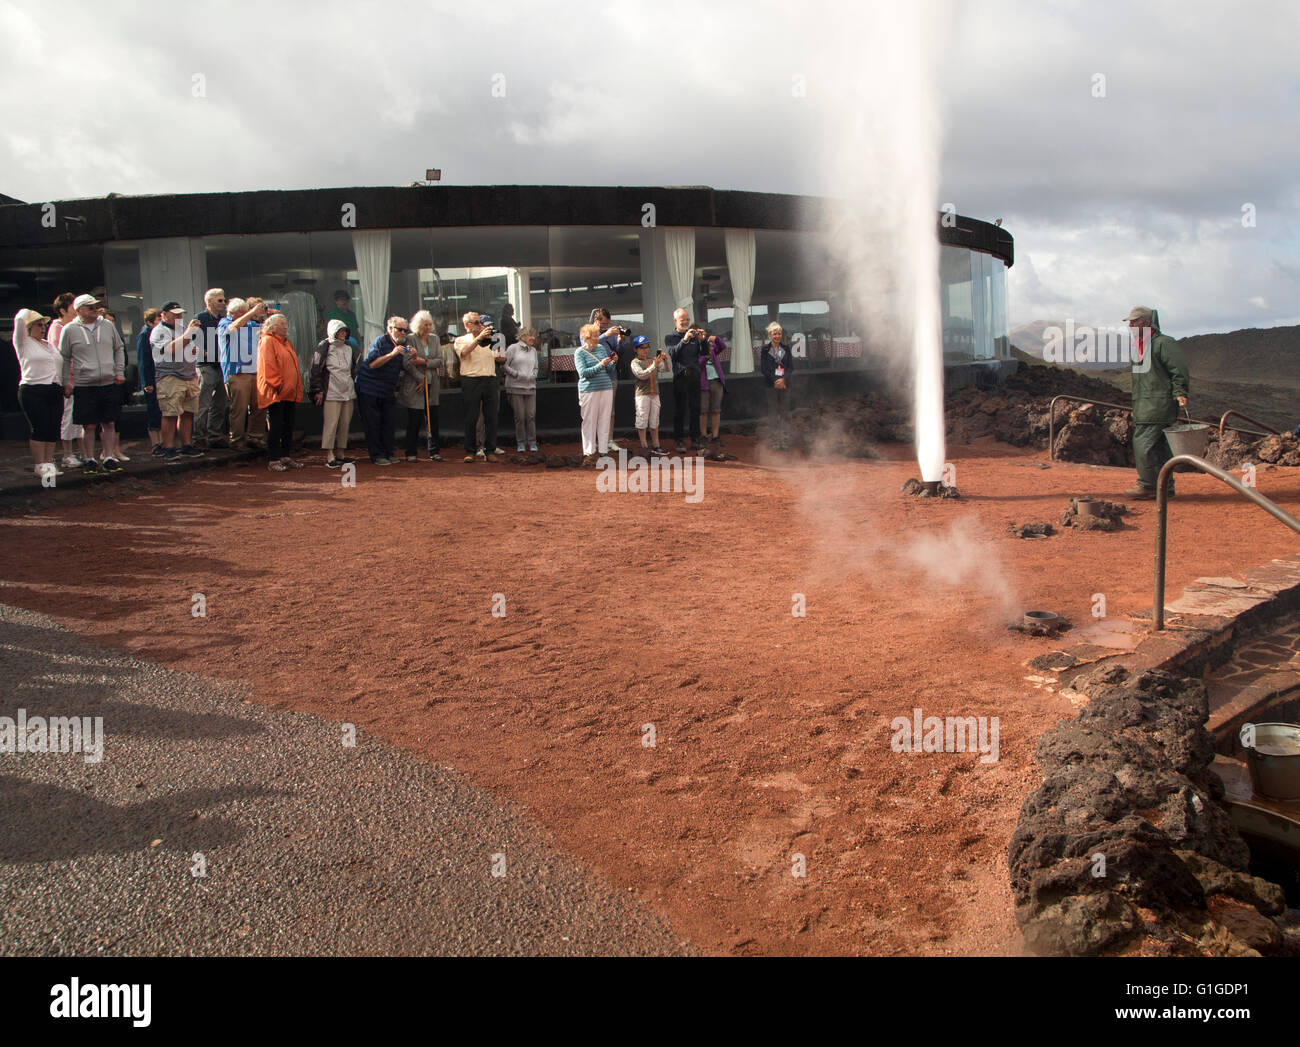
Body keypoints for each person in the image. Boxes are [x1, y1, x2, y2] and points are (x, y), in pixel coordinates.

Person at [1124, 306, 1190, 500]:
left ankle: (1148, 486)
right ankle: (1165, 487)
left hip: (1157, 405)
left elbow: (1178, 370)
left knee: (1142, 444)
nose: (1130, 325)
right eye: (1130, 322)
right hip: (1145, 404)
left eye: (1134, 321)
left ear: (1145, 322)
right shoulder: (1140, 346)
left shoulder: (1163, 343)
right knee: (1159, 448)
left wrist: (1180, 392)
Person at [58, 293, 126, 473]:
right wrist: (66, 382)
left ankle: (109, 457)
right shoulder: (69, 329)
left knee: (109, 422)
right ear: (79, 310)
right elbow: (64, 357)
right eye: (90, 307)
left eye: (96, 306)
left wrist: (119, 371)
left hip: (108, 382)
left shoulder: (107, 326)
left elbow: (118, 348)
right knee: (88, 425)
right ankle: (89, 458)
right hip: (84, 384)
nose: (95, 310)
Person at [150, 301, 204, 464]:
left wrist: (193, 350)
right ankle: (168, 447)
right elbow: (170, 349)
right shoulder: (159, 331)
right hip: (170, 376)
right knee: (170, 413)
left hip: (188, 375)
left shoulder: (181, 330)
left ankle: (186, 444)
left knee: (188, 412)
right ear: (164, 314)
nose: (180, 317)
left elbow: (188, 347)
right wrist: (189, 333)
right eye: (176, 314)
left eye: (181, 314)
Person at [11, 309, 63, 478]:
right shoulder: (23, 342)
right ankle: (39, 464)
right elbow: (19, 319)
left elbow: (57, 365)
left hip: (53, 388)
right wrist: (27, 311)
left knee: (53, 428)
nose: (43, 328)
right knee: (40, 427)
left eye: (44, 325)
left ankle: (49, 463)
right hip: (33, 389)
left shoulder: (48, 344)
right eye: (38, 325)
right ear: (29, 327)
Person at [355, 316, 410, 465]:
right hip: (369, 388)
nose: (403, 333)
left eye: (406, 330)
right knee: (373, 423)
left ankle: (389, 452)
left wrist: (414, 356)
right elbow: (373, 364)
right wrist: (392, 354)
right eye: (400, 330)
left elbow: (405, 367)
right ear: (390, 329)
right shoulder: (380, 341)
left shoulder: (404, 344)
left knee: (389, 421)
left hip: (387, 390)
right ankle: (377, 455)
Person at [257, 313, 305, 472]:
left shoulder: (286, 343)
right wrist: (278, 385)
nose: (286, 327)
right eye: (282, 324)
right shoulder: (267, 341)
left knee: (288, 425)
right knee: (276, 426)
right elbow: (268, 365)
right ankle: (273, 460)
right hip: (276, 393)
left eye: (286, 324)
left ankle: (285, 456)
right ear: (273, 326)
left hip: (289, 392)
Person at [309, 318, 359, 468]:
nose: (343, 333)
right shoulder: (324, 346)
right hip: (331, 390)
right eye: (340, 331)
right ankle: (329, 454)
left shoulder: (349, 347)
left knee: (345, 422)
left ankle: (341, 452)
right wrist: (317, 390)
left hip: (348, 390)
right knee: (331, 423)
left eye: (345, 331)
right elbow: (316, 369)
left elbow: (353, 368)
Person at [220, 297, 268, 451]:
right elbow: (233, 328)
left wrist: (270, 315)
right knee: (239, 408)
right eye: (242, 313)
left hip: (255, 371)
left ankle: (255, 437)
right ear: (233, 313)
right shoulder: (224, 323)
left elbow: (266, 329)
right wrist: (252, 312)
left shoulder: (251, 324)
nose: (246, 315)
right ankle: (237, 440)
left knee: (258, 406)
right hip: (237, 373)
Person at [396, 311, 445, 462]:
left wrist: (423, 362)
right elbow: (407, 362)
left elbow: (439, 360)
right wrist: (420, 379)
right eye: (425, 325)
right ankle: (411, 452)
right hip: (416, 386)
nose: (428, 327)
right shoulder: (410, 338)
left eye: (430, 324)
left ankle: (434, 450)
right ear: (418, 325)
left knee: (433, 420)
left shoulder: (434, 339)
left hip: (432, 385)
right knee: (415, 420)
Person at [454, 312, 502, 463]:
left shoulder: (492, 338)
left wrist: (495, 342)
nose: (479, 325)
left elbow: (501, 358)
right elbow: (464, 352)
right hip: (471, 379)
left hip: (490, 379)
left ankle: (490, 450)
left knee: (492, 416)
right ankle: (470, 451)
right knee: (471, 417)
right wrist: (479, 338)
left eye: (480, 322)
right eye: (475, 322)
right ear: (467, 325)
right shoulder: (460, 340)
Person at [47, 293, 84, 468]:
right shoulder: (57, 328)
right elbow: (62, 357)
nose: (76, 311)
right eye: (72, 307)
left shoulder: (75, 327)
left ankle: (82, 452)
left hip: (79, 379)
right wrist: (67, 380)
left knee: (78, 417)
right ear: (62, 310)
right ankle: (67, 454)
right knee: (67, 417)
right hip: (67, 381)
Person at [575, 322, 615, 467]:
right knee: (589, 420)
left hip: (605, 387)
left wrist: (612, 362)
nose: (597, 338)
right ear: (586, 338)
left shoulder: (601, 348)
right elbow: (583, 373)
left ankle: (603, 450)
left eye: (598, 335)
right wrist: (601, 365)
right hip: (589, 389)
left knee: (604, 419)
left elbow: (609, 369)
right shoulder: (579, 352)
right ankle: (589, 451)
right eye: (594, 336)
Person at [194, 287, 229, 448]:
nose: (223, 303)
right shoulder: (200, 319)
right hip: (206, 366)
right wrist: (203, 352)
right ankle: (199, 437)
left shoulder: (222, 320)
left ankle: (214, 435)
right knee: (203, 403)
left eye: (224, 300)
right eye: (219, 300)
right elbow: (192, 341)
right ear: (209, 302)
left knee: (220, 403)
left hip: (221, 365)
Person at [666, 308, 705, 453]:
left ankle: (695, 438)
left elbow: (705, 353)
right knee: (680, 410)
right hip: (680, 377)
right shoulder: (670, 337)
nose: (686, 322)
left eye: (687, 320)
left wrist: (703, 340)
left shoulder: (695, 337)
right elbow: (673, 354)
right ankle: (679, 440)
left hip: (694, 376)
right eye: (683, 320)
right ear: (676, 321)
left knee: (695, 409)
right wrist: (685, 339)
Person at [593, 307, 631, 450]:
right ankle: (596, 441)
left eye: (607, 325)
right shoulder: (588, 331)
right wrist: (604, 335)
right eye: (603, 325)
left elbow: (619, 352)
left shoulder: (612, 334)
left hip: (611, 376)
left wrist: (620, 341)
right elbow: (587, 346)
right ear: (596, 321)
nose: (605, 327)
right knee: (595, 410)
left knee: (610, 411)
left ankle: (609, 440)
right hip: (595, 377)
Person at [629, 334, 670, 457]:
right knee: (642, 419)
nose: (645, 350)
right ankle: (644, 445)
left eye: (647, 347)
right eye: (642, 347)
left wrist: (665, 359)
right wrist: (654, 365)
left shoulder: (653, 360)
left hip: (654, 393)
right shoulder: (635, 362)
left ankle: (656, 445)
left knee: (654, 419)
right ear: (636, 349)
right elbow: (641, 375)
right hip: (642, 394)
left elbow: (666, 369)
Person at [504, 325, 540, 452]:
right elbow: (504, 365)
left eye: (534, 335)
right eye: (530, 335)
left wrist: (533, 375)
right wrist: (516, 374)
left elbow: (536, 367)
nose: (533, 338)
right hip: (515, 387)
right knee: (520, 416)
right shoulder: (512, 348)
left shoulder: (533, 351)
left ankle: (532, 442)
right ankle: (521, 443)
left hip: (530, 387)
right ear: (523, 336)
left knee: (530, 416)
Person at [136, 307, 164, 454]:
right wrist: (146, 383)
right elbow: (143, 361)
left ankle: (163, 441)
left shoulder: (160, 334)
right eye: (158, 319)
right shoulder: (144, 335)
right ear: (150, 321)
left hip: (161, 377)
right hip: (151, 380)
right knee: (153, 411)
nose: (161, 322)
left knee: (162, 411)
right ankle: (156, 443)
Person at [699, 333, 727, 448]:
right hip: (703, 383)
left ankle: (715, 436)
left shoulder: (711, 345)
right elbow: (698, 364)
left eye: (703, 333)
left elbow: (723, 346)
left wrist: (716, 339)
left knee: (716, 410)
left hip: (716, 381)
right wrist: (706, 356)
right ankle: (704, 436)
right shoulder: (697, 348)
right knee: (703, 411)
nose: (702, 335)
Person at [760, 322, 794, 416]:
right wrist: (775, 381)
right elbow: (764, 369)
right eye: (775, 334)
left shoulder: (786, 348)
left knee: (785, 410)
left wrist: (783, 380)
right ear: (770, 335)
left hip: (785, 384)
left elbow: (790, 367)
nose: (777, 336)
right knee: (773, 410)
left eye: (779, 333)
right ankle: (774, 431)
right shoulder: (765, 350)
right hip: (771, 384)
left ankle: (785, 430)